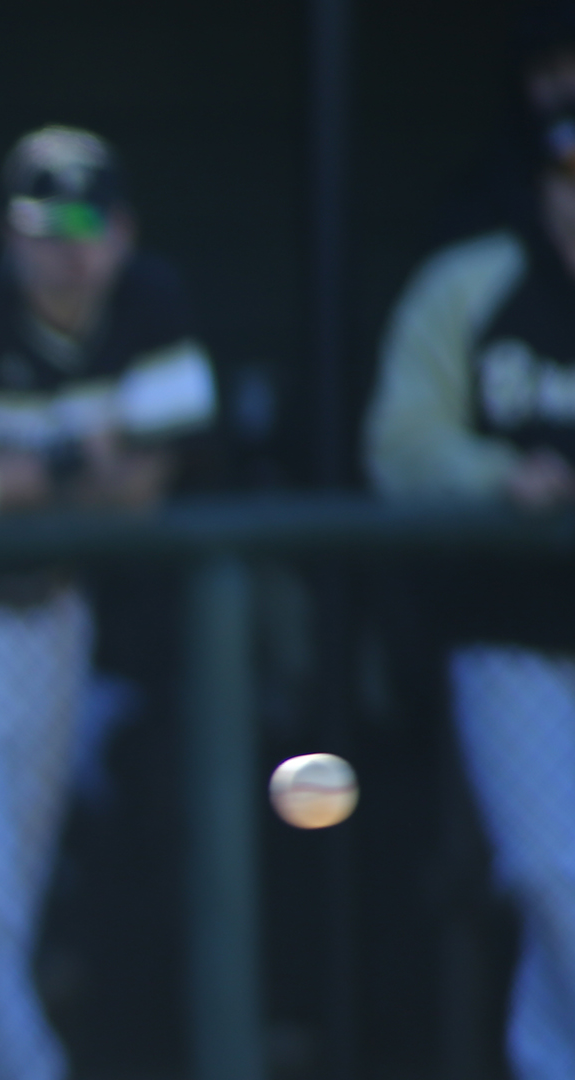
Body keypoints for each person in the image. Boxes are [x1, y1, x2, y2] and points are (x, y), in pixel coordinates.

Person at [0, 126, 216, 1080]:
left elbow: (153, 481)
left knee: (0, 910)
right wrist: (78, 460)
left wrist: (17, 472)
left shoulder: (149, 302)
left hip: (55, 619)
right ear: (12, 237)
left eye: (87, 226)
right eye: (45, 227)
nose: (68, 249)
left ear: (124, 233)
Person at [364, 9, 575, 1073]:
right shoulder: (473, 281)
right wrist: (501, 478)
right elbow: (398, 443)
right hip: (514, 635)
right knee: (547, 874)